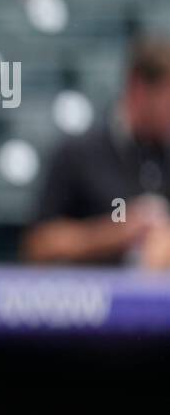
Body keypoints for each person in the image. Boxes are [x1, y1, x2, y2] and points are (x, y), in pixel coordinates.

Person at [22, 36, 170, 267]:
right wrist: (119, 233)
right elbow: (39, 244)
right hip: (90, 295)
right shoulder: (79, 153)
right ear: (139, 89)